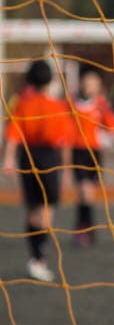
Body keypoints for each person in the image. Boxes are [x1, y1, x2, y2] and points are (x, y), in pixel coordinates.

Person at [1, 60, 73, 281]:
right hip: (49, 157)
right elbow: (65, 141)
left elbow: (13, 134)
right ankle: (40, 256)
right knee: (47, 209)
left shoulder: (23, 104)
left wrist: (9, 159)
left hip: (28, 155)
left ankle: (35, 257)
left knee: (33, 208)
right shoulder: (58, 106)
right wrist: (68, 169)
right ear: (51, 79)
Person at [71, 67, 114, 247]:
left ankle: (85, 227)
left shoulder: (101, 105)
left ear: (98, 87)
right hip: (76, 152)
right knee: (84, 191)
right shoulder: (70, 104)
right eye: (87, 82)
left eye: (93, 83)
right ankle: (85, 229)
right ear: (81, 83)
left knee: (88, 194)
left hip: (93, 154)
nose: (89, 86)